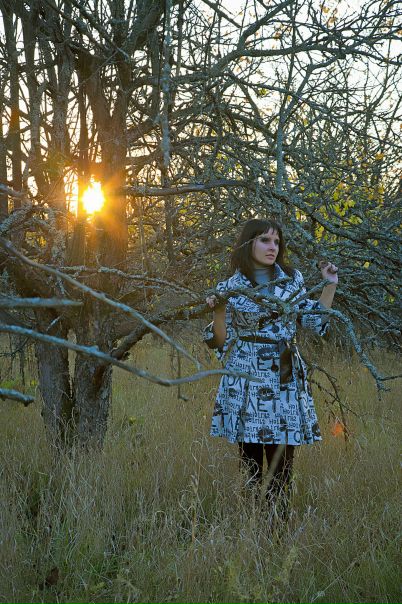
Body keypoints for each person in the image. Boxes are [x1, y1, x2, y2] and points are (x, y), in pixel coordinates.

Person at [204, 218, 338, 519]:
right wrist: (219, 310)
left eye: (277, 242)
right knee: (250, 461)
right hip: (246, 375)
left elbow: (314, 322)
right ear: (248, 243)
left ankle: (276, 527)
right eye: (265, 240)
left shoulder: (292, 280)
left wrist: (329, 284)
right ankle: (252, 524)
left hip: (283, 374)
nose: (272, 247)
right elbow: (220, 341)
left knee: (282, 461)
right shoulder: (230, 287)